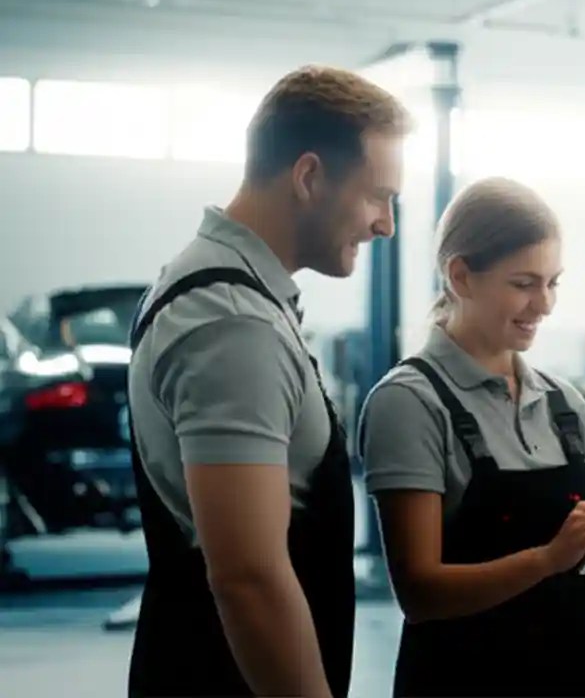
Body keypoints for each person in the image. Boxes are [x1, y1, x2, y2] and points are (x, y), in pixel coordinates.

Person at [358, 176, 585, 698]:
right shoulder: (410, 402)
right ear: (461, 275)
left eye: (553, 282)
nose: (544, 304)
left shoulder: (563, 403)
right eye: (524, 284)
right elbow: (421, 593)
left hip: (580, 675)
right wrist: (546, 558)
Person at [126, 65, 411, 697]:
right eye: (377, 196)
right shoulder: (233, 323)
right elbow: (248, 577)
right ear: (309, 176)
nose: (385, 224)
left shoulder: (231, 292)